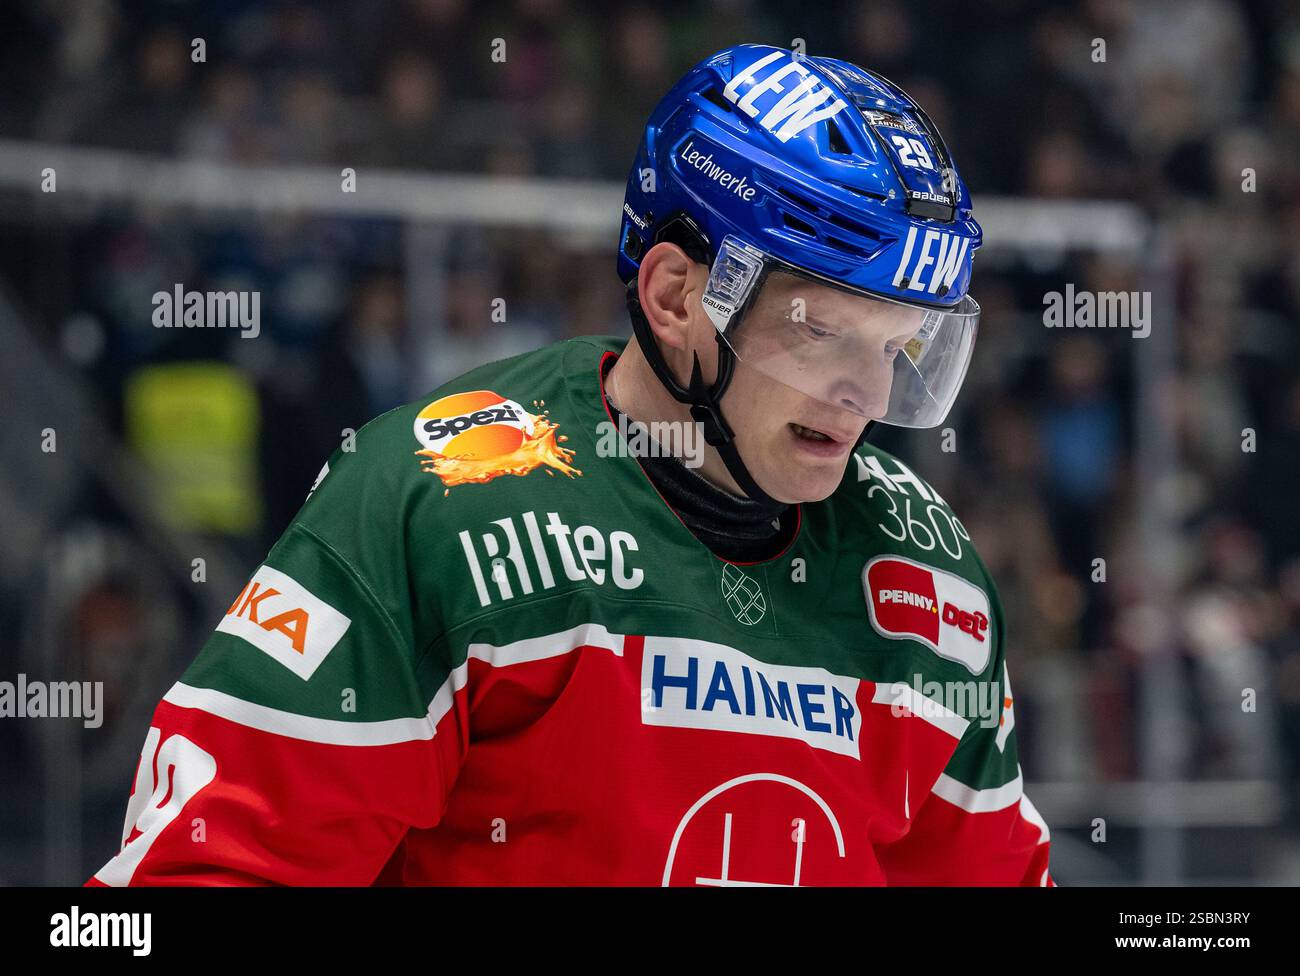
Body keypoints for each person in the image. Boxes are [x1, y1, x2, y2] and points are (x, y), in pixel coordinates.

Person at [91, 44, 1053, 886]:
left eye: (898, 347)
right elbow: (208, 872)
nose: (870, 397)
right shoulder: (444, 501)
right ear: (677, 296)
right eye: (825, 333)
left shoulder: (927, 581)